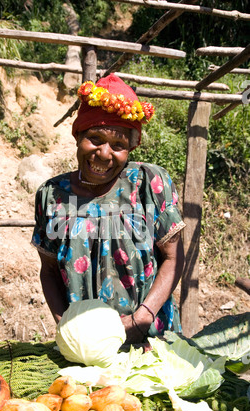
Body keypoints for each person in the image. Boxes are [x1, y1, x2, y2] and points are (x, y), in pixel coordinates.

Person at [31, 73, 185, 349]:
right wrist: (67, 328)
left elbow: (173, 258)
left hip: (152, 339)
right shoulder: (52, 195)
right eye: (95, 138)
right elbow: (49, 271)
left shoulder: (148, 184)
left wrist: (143, 317)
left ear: (130, 148)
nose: (104, 154)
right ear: (78, 135)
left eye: (118, 145)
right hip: (87, 347)